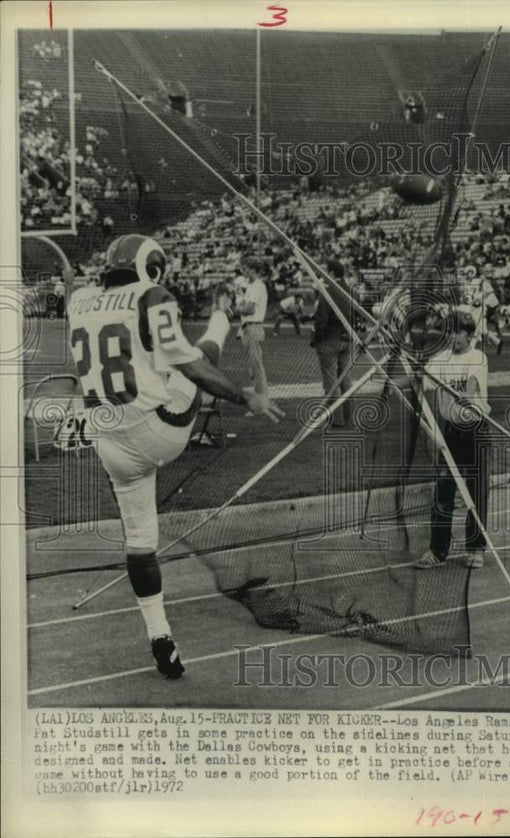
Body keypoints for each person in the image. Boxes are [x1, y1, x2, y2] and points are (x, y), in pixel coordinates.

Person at [67, 235, 283, 678]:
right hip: (157, 430)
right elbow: (191, 367)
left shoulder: (80, 301)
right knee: (197, 357)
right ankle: (221, 316)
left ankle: (161, 636)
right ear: (154, 267)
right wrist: (247, 397)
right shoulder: (152, 295)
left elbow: (89, 306)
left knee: (141, 544)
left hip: (109, 443)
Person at [413, 310, 491, 570]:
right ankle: (437, 551)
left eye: (460, 332)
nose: (454, 337)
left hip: (475, 430)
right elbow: (421, 383)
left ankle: (476, 548)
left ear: (470, 336)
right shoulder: (439, 360)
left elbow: (470, 388)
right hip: (451, 432)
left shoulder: (477, 357)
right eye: (451, 332)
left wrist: (461, 395)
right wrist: (399, 375)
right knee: (444, 490)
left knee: (476, 491)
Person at [311, 260, 355, 428]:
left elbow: (321, 319)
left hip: (330, 339)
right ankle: (347, 415)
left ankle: (337, 419)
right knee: (346, 379)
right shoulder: (351, 291)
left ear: (330, 272)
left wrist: (318, 338)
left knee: (331, 381)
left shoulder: (327, 291)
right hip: (347, 339)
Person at [236, 256, 269, 401]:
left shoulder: (258, 285)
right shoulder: (249, 286)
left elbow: (249, 309)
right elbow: (243, 305)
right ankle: (260, 398)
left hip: (253, 327)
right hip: (247, 327)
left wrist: (238, 309)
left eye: (246, 269)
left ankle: (261, 401)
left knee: (256, 366)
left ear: (253, 270)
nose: (243, 272)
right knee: (253, 366)